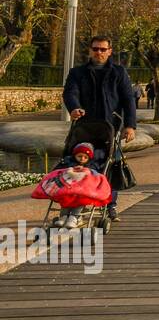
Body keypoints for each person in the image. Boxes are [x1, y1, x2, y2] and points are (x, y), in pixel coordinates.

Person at [61, 34, 137, 222]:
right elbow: (70, 92)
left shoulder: (118, 72)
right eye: (95, 49)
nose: (99, 53)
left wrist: (130, 125)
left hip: (110, 127)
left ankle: (110, 204)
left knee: (110, 164)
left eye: (103, 49)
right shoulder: (77, 72)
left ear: (109, 51)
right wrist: (74, 107)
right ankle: (76, 199)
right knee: (79, 163)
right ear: (90, 50)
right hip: (85, 127)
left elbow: (128, 100)